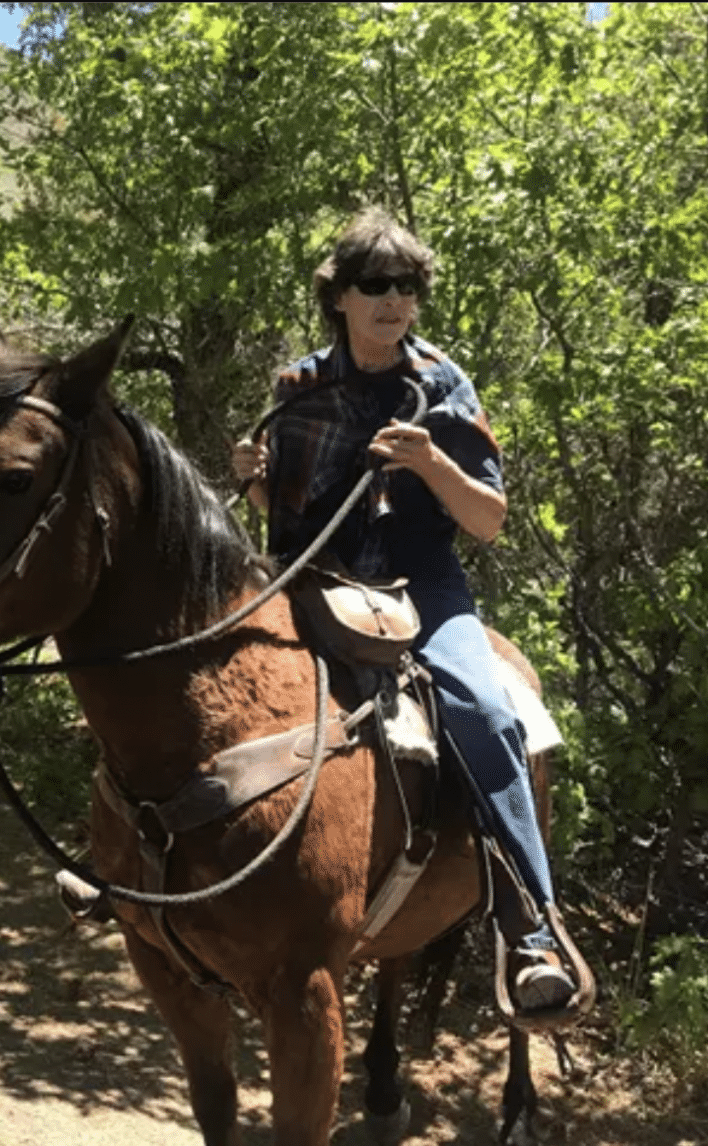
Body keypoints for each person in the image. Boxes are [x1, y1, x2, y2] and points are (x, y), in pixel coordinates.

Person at [231, 207, 581, 1021]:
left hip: (420, 586)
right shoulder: (297, 386)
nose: (394, 300)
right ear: (340, 296)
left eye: (408, 286)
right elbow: (284, 515)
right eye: (376, 285)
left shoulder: (443, 384)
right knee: (205, 672)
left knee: (490, 713)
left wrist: (430, 463)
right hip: (314, 573)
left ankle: (530, 930)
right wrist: (250, 476)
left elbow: (488, 519)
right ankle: (143, 877)